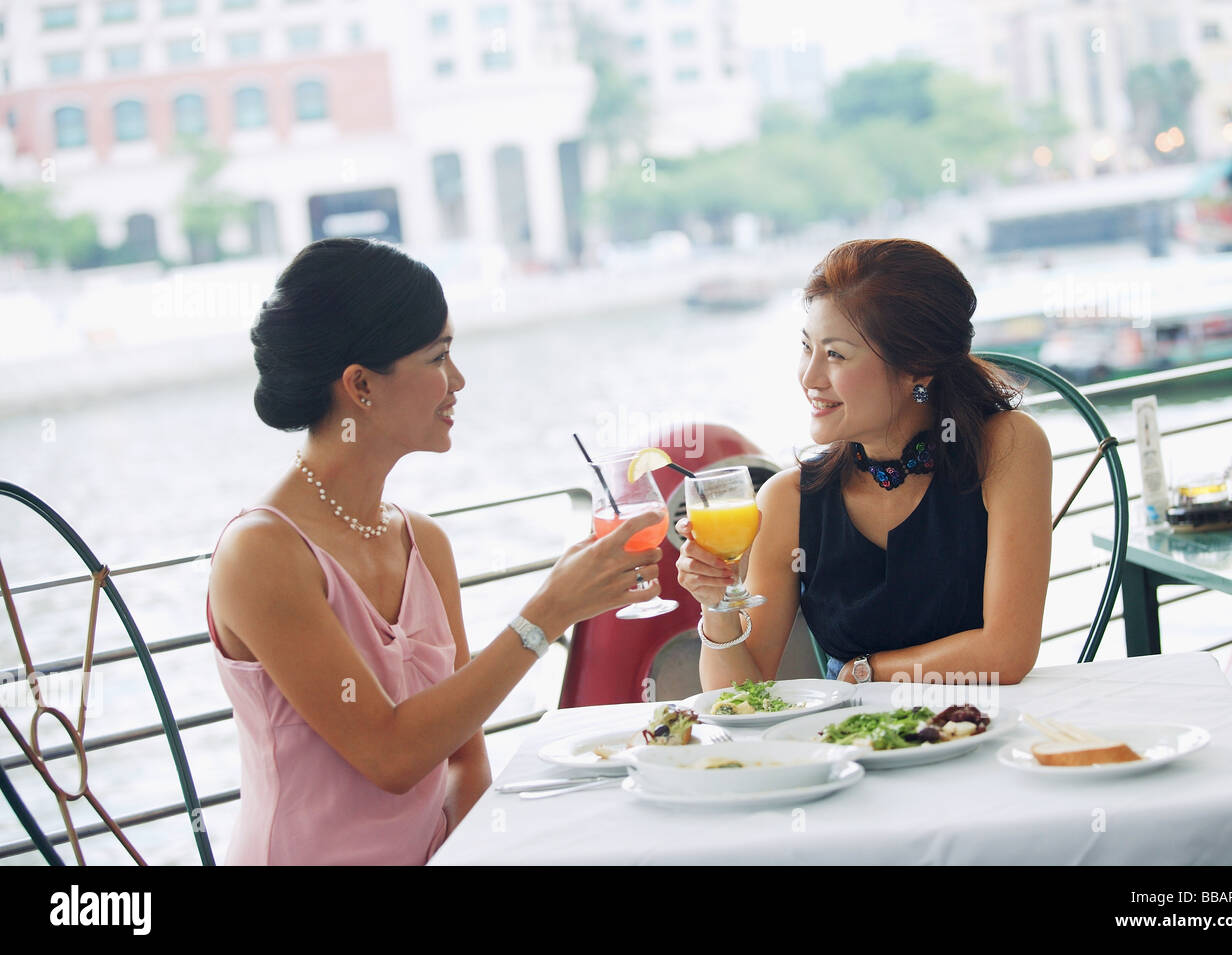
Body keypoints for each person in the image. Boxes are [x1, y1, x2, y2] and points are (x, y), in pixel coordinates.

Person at [205, 237, 664, 864]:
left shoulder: (425, 541)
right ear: (361, 385)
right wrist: (548, 612)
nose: (458, 381)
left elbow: (466, 760)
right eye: (438, 357)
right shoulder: (261, 553)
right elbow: (390, 757)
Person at [676, 238, 1052, 689]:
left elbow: (1007, 654)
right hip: (859, 747)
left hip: (991, 727)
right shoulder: (789, 500)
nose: (810, 378)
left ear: (917, 366)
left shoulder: (1007, 446)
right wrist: (716, 603)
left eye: (835, 354)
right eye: (806, 348)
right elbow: (743, 696)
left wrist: (864, 671)